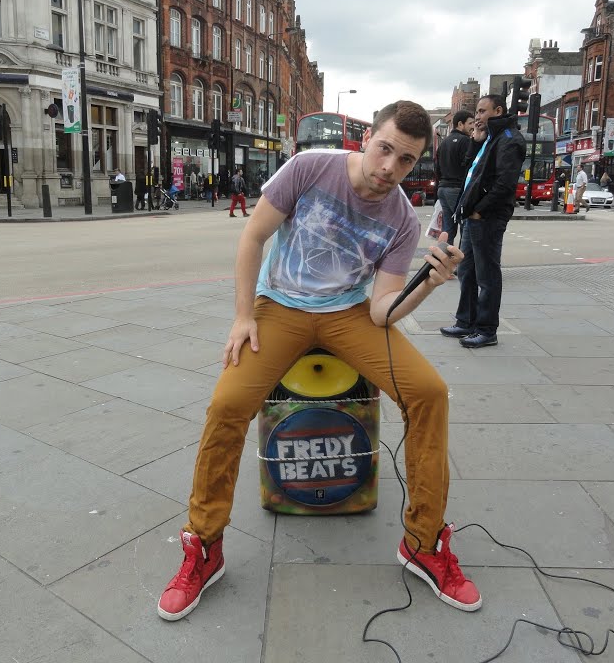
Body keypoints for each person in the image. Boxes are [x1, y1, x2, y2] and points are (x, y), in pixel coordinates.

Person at [156, 100, 475, 622]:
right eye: (385, 149)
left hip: (350, 314)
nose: (389, 168)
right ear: (366, 137)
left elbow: (382, 309)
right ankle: (205, 546)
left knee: (429, 392)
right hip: (279, 305)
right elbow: (254, 236)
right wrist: (243, 316)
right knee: (227, 406)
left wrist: (428, 283)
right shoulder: (310, 168)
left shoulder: (400, 219)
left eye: (406, 161)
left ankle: (424, 541)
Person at [440, 93, 525, 349]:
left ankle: (487, 329)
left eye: (481, 111)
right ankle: (466, 321)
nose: (477, 117)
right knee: (466, 270)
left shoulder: (509, 140)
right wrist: (475, 143)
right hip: (472, 215)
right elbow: (469, 171)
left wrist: (480, 210)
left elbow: (505, 184)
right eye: (476, 112)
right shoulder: (488, 139)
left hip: (487, 217)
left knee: (487, 275)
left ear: (498, 111)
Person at [434, 110, 474, 244]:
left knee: (448, 229)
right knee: (466, 228)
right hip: (457, 189)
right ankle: (464, 262)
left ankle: (444, 258)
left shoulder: (443, 143)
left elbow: (437, 168)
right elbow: (469, 166)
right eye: (470, 123)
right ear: (460, 124)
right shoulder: (466, 141)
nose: (473, 126)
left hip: (443, 189)